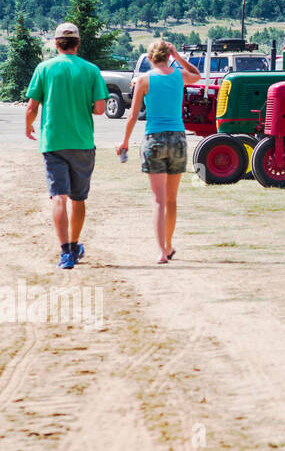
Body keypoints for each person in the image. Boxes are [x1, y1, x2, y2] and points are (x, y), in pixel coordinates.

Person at [25, 21, 110, 269]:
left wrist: (28, 125)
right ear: (78, 42)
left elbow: (32, 107)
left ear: (56, 42)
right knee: (78, 198)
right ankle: (74, 244)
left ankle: (65, 252)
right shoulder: (92, 70)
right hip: (82, 142)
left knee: (58, 197)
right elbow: (100, 108)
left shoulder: (44, 68)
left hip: (53, 142)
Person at [116, 40, 201, 264]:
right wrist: (179, 57)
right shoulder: (178, 75)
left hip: (154, 138)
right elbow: (197, 75)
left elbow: (133, 115)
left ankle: (162, 251)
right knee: (172, 200)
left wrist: (124, 141)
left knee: (158, 200)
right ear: (168, 55)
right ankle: (170, 243)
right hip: (177, 138)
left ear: (151, 58)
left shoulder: (144, 80)